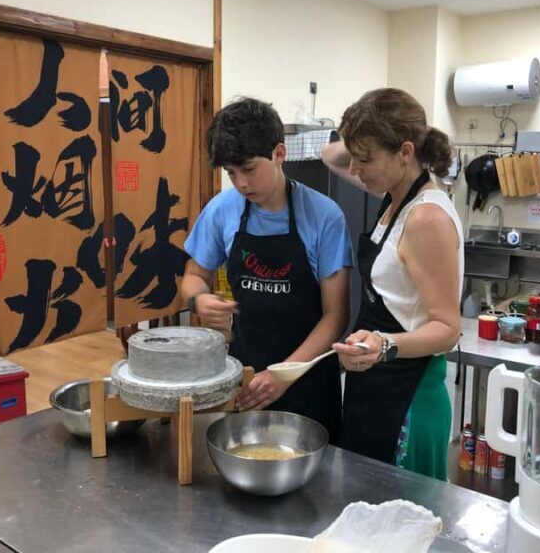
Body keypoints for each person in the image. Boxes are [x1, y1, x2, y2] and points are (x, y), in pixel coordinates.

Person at [181, 97, 353, 442]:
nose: (241, 183)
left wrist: (284, 374)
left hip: (308, 378)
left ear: (279, 154)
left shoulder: (324, 216)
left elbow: (336, 316)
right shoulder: (223, 210)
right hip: (246, 378)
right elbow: (192, 276)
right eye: (231, 173)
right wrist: (199, 301)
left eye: (248, 169)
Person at [322, 88, 463, 479]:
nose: (354, 169)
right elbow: (327, 156)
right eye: (355, 157)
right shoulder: (393, 195)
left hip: (409, 396)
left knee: (402, 526)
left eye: (365, 159)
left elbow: (448, 329)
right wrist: (362, 125)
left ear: (405, 152)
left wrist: (383, 345)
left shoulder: (426, 218)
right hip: (376, 382)